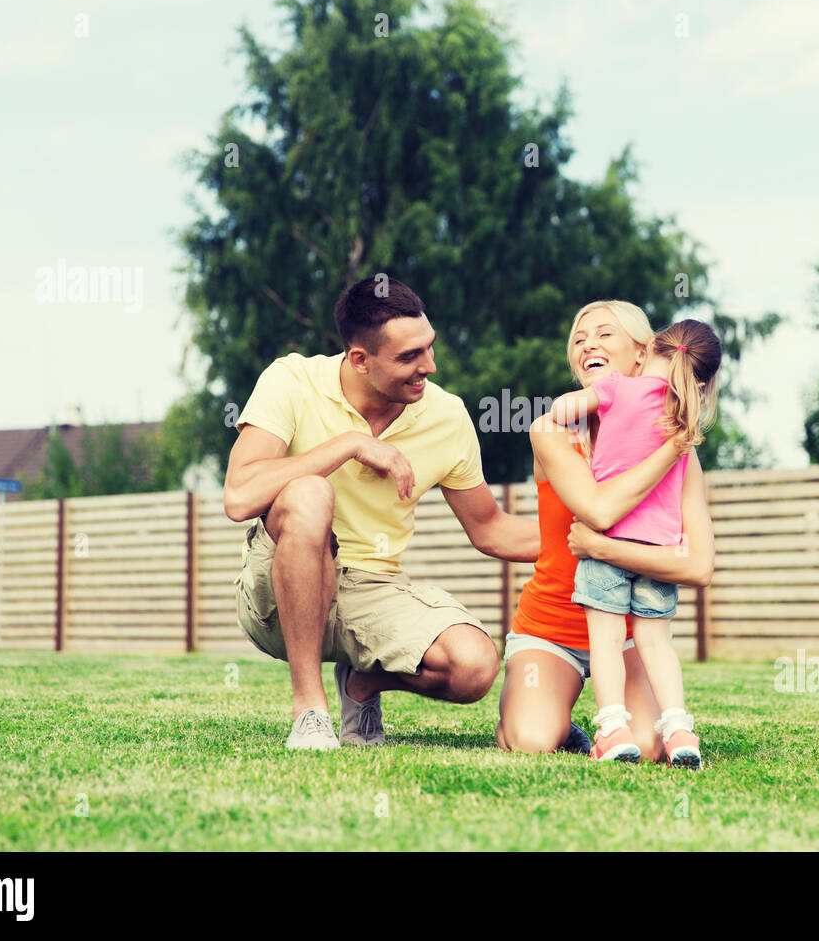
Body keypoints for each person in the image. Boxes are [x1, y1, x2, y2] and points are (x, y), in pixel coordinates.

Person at [225, 276, 539, 750]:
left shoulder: (446, 416)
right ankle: (310, 712)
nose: (429, 367)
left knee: (474, 667)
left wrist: (594, 535)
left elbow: (491, 528)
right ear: (359, 360)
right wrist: (350, 446)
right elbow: (239, 495)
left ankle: (361, 685)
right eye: (409, 357)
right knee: (309, 494)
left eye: (429, 348)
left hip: (374, 589)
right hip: (277, 598)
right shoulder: (290, 380)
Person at [496, 301, 715, 764]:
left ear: (643, 354)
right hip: (552, 626)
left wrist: (603, 550)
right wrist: (672, 448)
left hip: (634, 629)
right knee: (533, 739)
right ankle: (564, 720)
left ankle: (616, 727)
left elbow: (697, 565)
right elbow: (598, 509)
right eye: (579, 339)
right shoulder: (551, 429)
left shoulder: (680, 447)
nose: (588, 344)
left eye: (604, 334)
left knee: (651, 746)